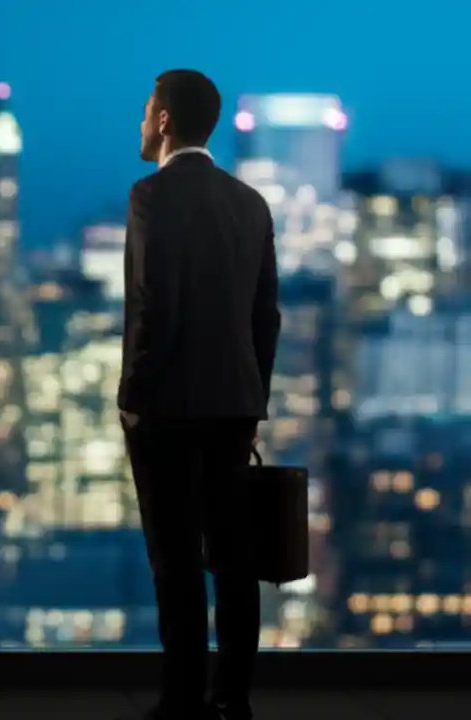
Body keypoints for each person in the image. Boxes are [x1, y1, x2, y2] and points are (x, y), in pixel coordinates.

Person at [116, 70, 281, 720]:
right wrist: (253, 399)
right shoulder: (251, 204)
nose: (139, 122)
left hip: (166, 406)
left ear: (163, 121)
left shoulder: (149, 198)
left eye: (144, 109)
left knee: (175, 558)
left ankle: (181, 700)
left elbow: (151, 306)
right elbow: (266, 318)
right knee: (235, 560)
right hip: (235, 404)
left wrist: (134, 395)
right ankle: (233, 698)